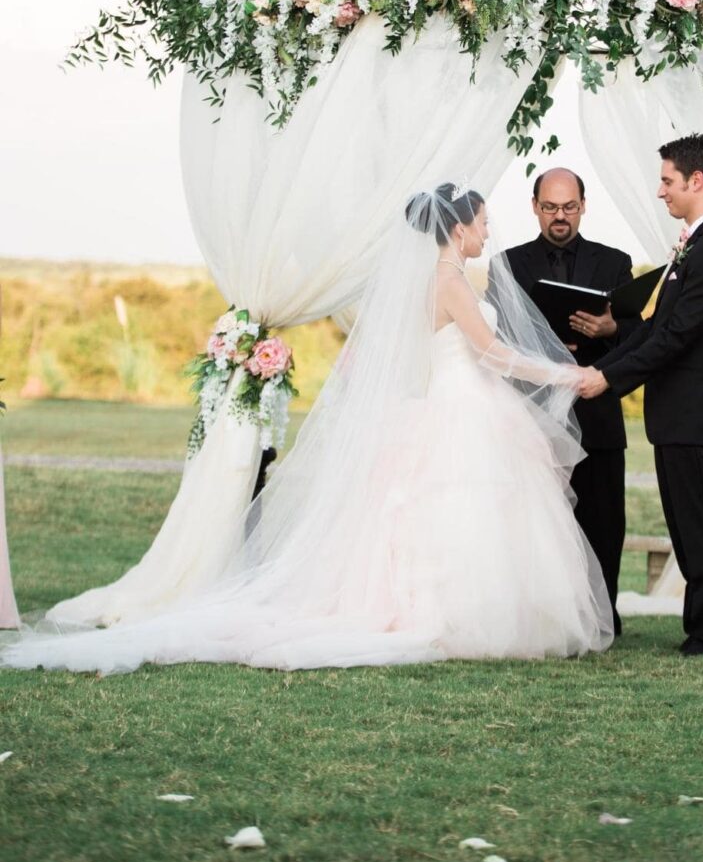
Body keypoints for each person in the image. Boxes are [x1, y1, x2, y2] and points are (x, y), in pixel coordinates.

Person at [1, 185, 613, 673]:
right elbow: (494, 355)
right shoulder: (450, 282)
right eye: (481, 222)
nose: (486, 231)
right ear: (458, 229)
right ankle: (458, 619)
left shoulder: (431, 282)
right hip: (463, 408)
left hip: (445, 404)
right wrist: (566, 372)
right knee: (460, 515)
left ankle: (447, 613)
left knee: (428, 519)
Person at [578, 135, 703, 657]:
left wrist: (607, 379)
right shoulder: (698, 242)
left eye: (667, 180)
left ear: (696, 181)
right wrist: (616, 330)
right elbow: (660, 326)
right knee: (688, 526)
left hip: (697, 412)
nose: (661, 192)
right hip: (679, 415)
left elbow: (678, 339)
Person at [493, 168, 639, 634]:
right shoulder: (506, 264)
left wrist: (611, 330)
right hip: (533, 417)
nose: (560, 216)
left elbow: (641, 337)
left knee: (603, 522)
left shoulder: (615, 261)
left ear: (584, 205)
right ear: (535, 206)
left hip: (597, 417)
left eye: (569, 207)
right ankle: (541, 622)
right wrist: (549, 352)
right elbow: (495, 340)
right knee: (536, 527)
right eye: (551, 207)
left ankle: (603, 620)